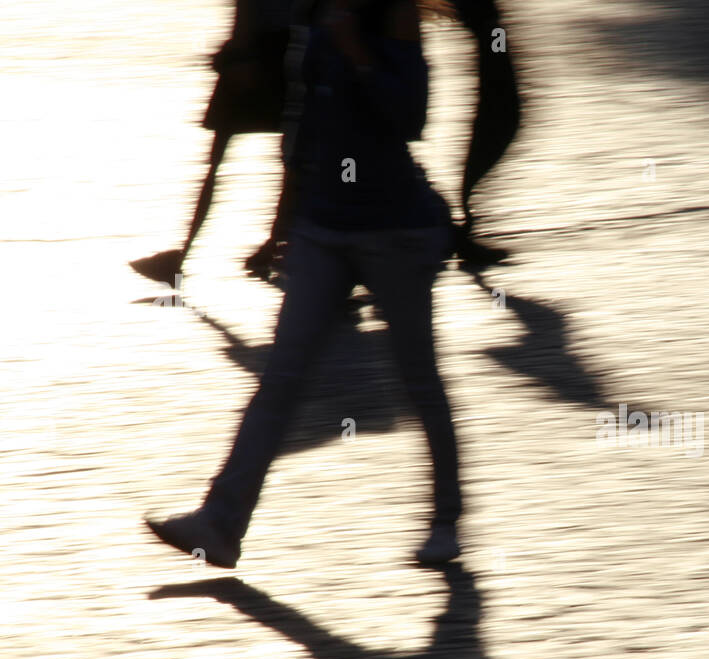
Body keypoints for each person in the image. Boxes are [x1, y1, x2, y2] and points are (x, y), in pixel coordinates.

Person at [146, 0, 464, 567]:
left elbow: (409, 116)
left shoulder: (392, 15)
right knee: (281, 380)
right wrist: (284, 226)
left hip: (396, 232)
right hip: (323, 230)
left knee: (419, 380)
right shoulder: (320, 15)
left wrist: (356, 53)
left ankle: (445, 522)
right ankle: (221, 523)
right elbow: (305, 124)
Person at [131, 0, 297, 286]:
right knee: (294, 162)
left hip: (258, 59)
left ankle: (187, 255)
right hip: (283, 58)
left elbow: (245, 17)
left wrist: (234, 56)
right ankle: (275, 245)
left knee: (218, 167)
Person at [449, 0, 522, 268]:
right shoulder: (492, 33)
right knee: (481, 160)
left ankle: (463, 229)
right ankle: (461, 231)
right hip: (497, 109)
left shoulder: (492, 33)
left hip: (496, 108)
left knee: (480, 162)